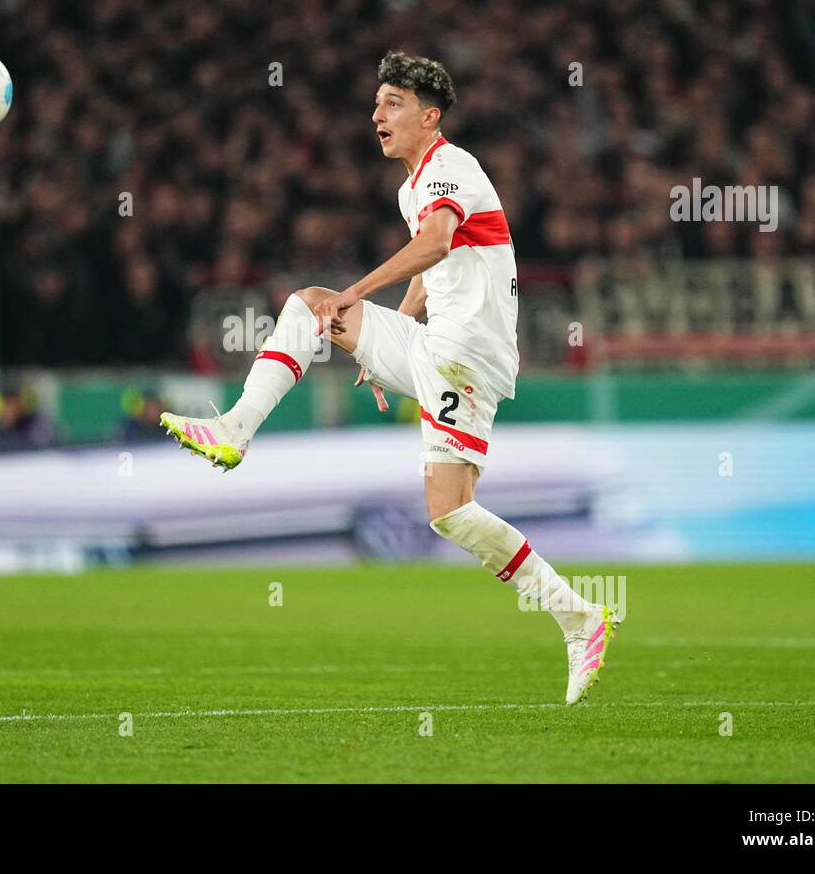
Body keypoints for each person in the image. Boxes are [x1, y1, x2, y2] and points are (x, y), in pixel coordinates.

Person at [160, 51, 621, 704]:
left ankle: (579, 616)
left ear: (430, 116)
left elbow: (434, 244)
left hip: (469, 355)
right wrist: (387, 344)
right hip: (436, 344)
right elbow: (435, 272)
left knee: (451, 509)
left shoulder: (452, 167)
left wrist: (359, 294)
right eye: (376, 103)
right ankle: (235, 427)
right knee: (306, 303)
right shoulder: (414, 183)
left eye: (394, 103)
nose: (377, 114)